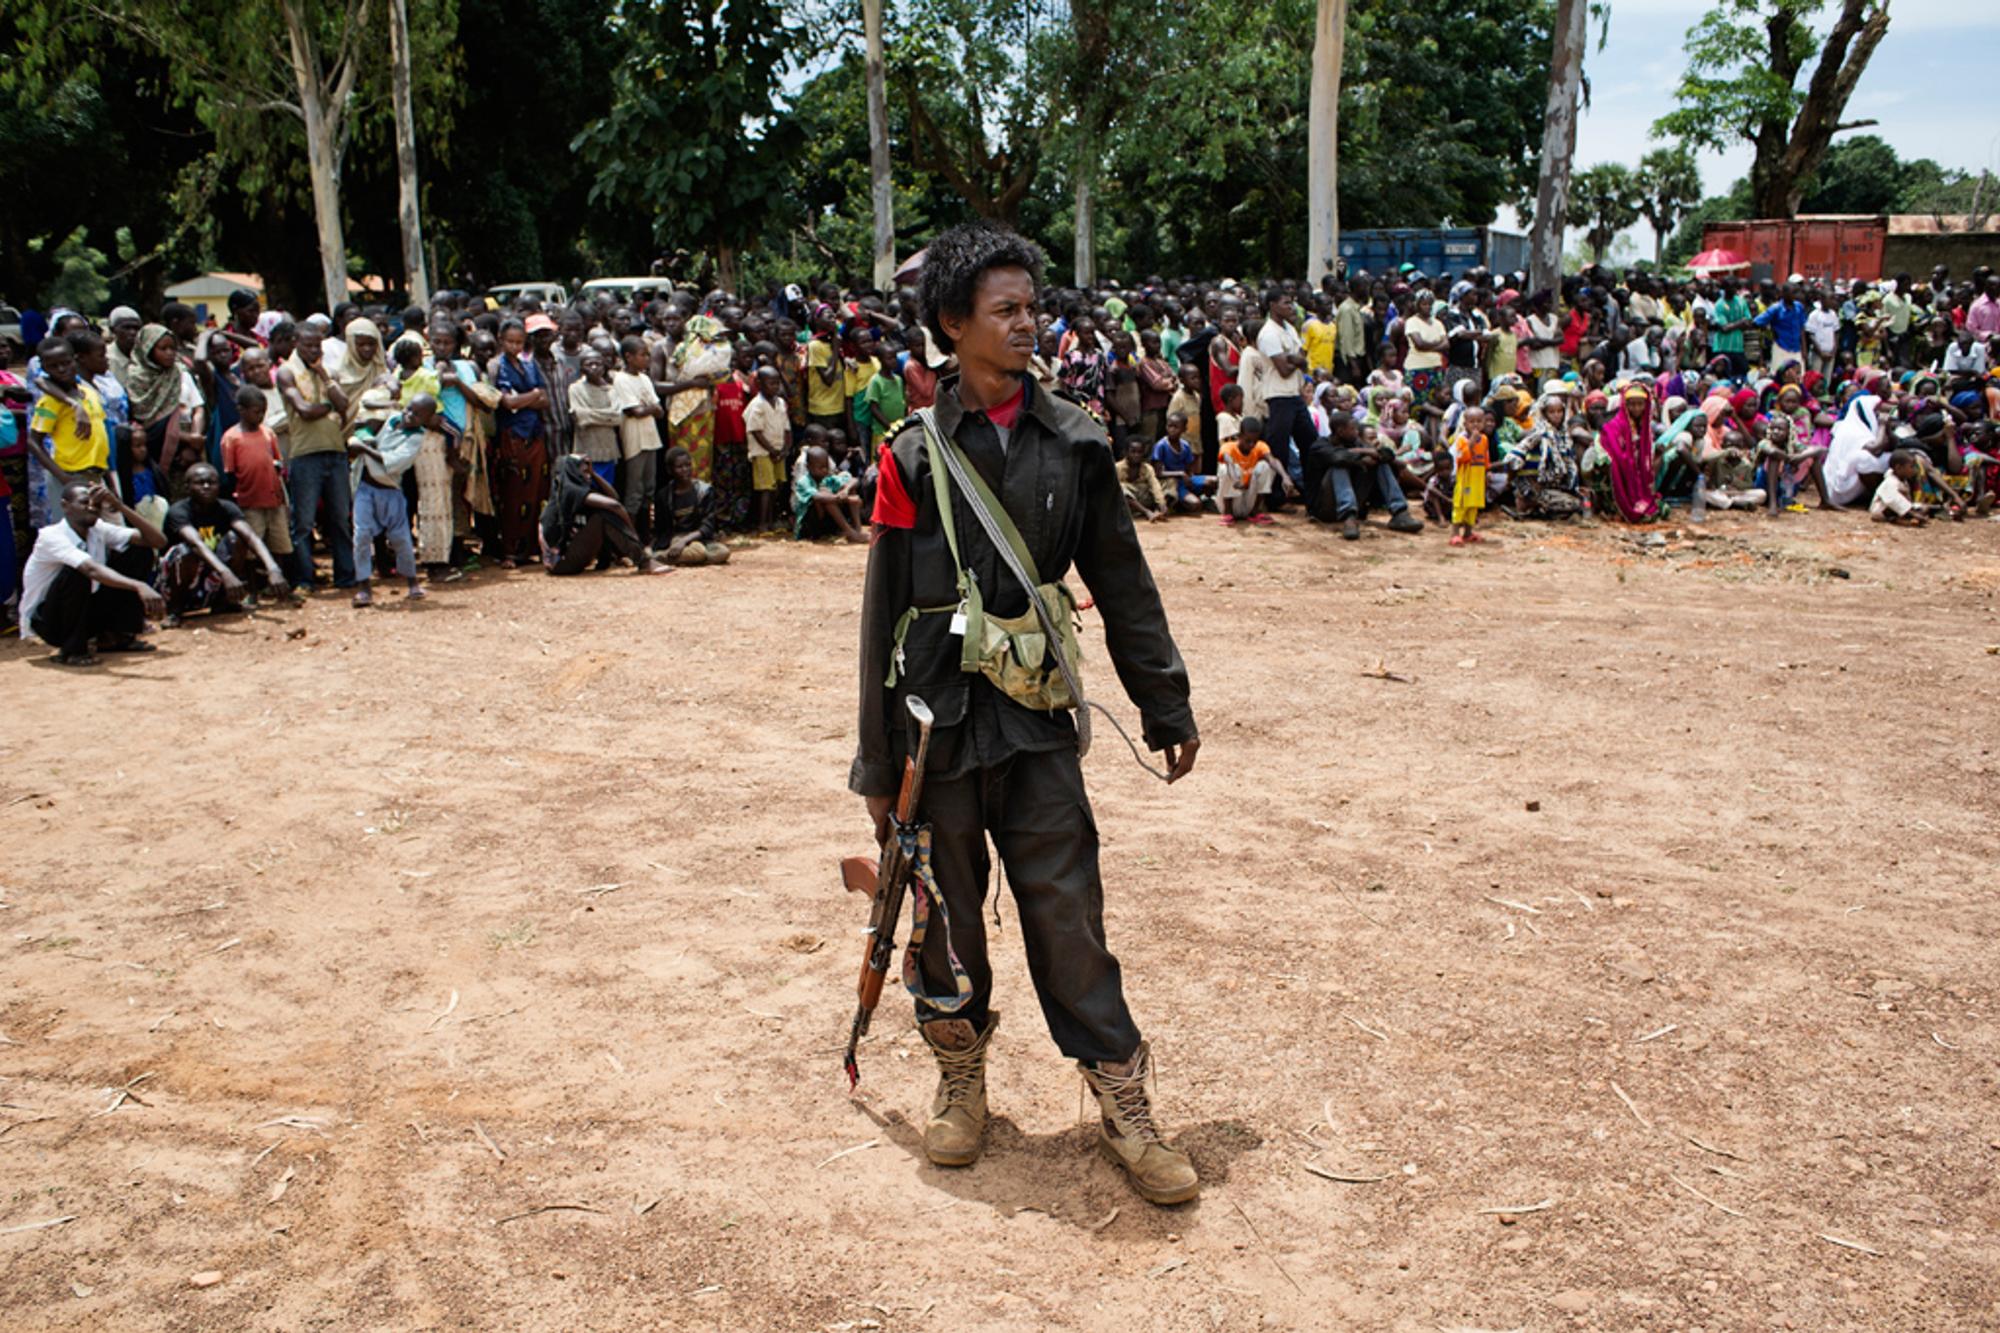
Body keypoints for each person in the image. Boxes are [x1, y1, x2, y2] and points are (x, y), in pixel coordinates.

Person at [854, 220, 1200, 1206]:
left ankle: (1122, 1100)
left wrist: (1164, 700)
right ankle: (959, 1078)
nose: (1025, 324)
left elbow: (1122, 582)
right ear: (952, 324)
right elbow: (880, 612)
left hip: (1038, 717)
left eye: (1031, 307)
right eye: (1003, 309)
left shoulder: (1077, 441)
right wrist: (876, 767)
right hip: (935, 724)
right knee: (943, 917)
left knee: (1067, 910)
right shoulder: (910, 454)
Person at [20, 481, 167, 664]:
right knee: (78, 571)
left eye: (96, 504)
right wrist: (139, 585)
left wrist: (119, 506)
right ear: (65, 506)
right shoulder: (51, 536)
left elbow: (158, 541)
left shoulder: (98, 529)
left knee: (139, 551)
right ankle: (73, 650)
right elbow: (90, 569)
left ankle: (115, 636)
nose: (92, 507)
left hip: (86, 612)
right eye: (84, 502)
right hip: (51, 621)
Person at [159, 461, 290, 623]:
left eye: (211, 482)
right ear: (187, 487)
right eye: (200, 483)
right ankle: (174, 610)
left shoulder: (227, 507)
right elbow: (196, 544)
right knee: (185, 552)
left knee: (237, 539)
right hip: (177, 578)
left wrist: (273, 569)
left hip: (211, 573)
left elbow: (250, 536)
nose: (206, 487)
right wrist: (226, 573)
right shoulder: (178, 511)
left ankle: (224, 602)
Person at [277, 324, 356, 589]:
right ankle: (304, 578)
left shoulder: (327, 372)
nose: (313, 351)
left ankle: (346, 576)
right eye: (307, 345)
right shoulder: (287, 372)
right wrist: (329, 406)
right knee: (303, 522)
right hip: (305, 454)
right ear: (295, 343)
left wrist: (323, 374)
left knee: (341, 519)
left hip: (335, 451)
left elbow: (344, 404)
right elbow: (304, 410)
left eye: (317, 346)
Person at [348, 394, 434, 607]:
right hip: (365, 487)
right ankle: (364, 587)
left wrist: (364, 448)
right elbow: (364, 418)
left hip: (390, 490)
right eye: (409, 409)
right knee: (361, 535)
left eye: (417, 414)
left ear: (427, 419)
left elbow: (393, 463)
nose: (410, 415)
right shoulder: (392, 418)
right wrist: (363, 435)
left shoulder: (415, 439)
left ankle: (412, 582)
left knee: (401, 538)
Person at [218, 384, 297, 587]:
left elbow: (277, 464)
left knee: (280, 544)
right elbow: (230, 473)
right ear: (241, 410)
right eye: (256, 412)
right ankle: (253, 589)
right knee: (252, 548)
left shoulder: (268, 433)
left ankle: (279, 586)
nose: (260, 416)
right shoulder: (231, 438)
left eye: (263, 411)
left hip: (274, 500)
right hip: (249, 501)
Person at [1304, 408, 1424, 540]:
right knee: (1339, 466)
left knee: (1379, 463)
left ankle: (1400, 512)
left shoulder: (1354, 442)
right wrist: (1365, 452)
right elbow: (1339, 457)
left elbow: (1386, 456)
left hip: (1355, 502)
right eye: (1353, 429)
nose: (1357, 432)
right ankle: (1349, 518)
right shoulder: (1320, 446)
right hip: (1322, 508)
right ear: (1340, 431)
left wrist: (1375, 454)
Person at [539, 452, 668, 575]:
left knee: (601, 512)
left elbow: (614, 497)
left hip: (566, 558)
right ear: (573, 472)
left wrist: (593, 474)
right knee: (604, 516)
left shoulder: (571, 489)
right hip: (560, 563)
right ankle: (643, 561)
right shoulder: (570, 491)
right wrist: (633, 535)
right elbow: (615, 505)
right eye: (584, 472)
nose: (588, 476)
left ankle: (608, 559)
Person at [490, 318, 551, 568]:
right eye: (510, 342)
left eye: (519, 342)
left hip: (534, 433)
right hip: (513, 436)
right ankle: (510, 550)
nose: (515, 347)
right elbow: (507, 403)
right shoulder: (498, 366)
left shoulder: (529, 364)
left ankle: (529, 547)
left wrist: (526, 399)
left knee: (535, 492)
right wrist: (532, 396)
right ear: (501, 341)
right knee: (513, 493)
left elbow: (545, 399)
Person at [25, 335, 110, 499]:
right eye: (53, 366)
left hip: (97, 474)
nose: (61, 369)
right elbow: (33, 441)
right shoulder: (50, 402)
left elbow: (100, 437)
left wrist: (110, 483)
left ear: (75, 360)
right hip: (71, 475)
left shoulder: (88, 393)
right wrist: (63, 477)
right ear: (44, 368)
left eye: (66, 363)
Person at [612, 334, 666, 547]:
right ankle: (629, 539)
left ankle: (645, 536)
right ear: (629, 356)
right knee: (634, 492)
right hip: (634, 440)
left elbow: (658, 410)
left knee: (648, 489)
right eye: (642, 355)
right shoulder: (621, 379)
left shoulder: (644, 379)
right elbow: (635, 411)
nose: (647, 359)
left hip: (651, 438)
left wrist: (647, 409)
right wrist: (648, 408)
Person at [656, 445, 731, 566]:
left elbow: (707, 526)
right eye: (679, 467)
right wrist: (678, 542)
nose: (685, 469)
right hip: (676, 538)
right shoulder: (664, 495)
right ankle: (689, 557)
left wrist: (685, 541)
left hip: (698, 538)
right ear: (670, 470)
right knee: (699, 552)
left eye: (688, 465)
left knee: (723, 552)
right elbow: (662, 530)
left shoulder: (704, 491)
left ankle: (664, 558)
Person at [744, 364, 791, 533]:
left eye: (777, 383)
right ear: (760, 384)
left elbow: (787, 428)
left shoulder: (781, 403)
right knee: (766, 488)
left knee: (777, 485)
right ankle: (762, 523)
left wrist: (785, 449)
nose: (775, 386)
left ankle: (772, 520)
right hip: (762, 452)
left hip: (778, 451)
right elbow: (755, 431)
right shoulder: (757, 405)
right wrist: (771, 450)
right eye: (771, 383)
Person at [793, 443, 865, 541]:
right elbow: (818, 497)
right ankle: (849, 532)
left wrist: (846, 490)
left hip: (826, 522)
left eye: (826, 466)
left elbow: (854, 480)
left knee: (849, 488)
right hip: (809, 527)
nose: (825, 470)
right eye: (820, 467)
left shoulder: (827, 478)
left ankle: (857, 530)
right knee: (825, 494)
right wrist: (848, 499)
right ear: (808, 467)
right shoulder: (804, 482)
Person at [1215, 415, 1279, 526]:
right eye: (1248, 441)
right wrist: (1236, 480)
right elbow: (1228, 462)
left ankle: (1255, 511)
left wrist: (1286, 477)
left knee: (1265, 466)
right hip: (1230, 501)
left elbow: (1272, 460)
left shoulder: (1260, 446)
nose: (1251, 445)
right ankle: (1227, 513)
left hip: (1247, 501)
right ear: (1239, 436)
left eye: (1255, 441)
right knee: (1226, 468)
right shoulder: (1228, 447)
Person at [1149, 411, 1211, 513]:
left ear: (1184, 429)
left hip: (1184, 480)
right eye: (1170, 426)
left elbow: (1189, 468)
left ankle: (1204, 499)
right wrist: (1180, 474)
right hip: (1171, 483)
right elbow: (1158, 473)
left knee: (1213, 481)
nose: (1172, 430)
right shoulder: (1161, 446)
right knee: (1195, 504)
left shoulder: (1185, 445)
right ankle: (1179, 504)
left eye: (1176, 427)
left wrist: (1190, 479)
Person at [1448, 405, 1491, 546]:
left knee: (1473, 506)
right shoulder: (1462, 440)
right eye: (1472, 422)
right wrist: (1471, 443)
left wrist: (1487, 471)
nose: (1475, 425)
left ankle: (1468, 532)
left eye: (1479, 421)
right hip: (1466, 478)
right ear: (1465, 424)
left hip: (1478, 477)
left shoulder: (1484, 439)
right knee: (1461, 506)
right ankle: (1455, 533)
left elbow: (1485, 457)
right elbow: (1461, 457)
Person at [1116, 435, 1168, 521]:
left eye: (1139, 452)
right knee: (1120, 487)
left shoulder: (1148, 468)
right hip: (1127, 502)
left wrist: (1162, 503)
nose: (1136, 455)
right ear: (1126, 452)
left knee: (1168, 483)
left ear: (1144, 453)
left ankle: (1159, 511)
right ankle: (1146, 512)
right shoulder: (1117, 467)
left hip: (1143, 499)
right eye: (1133, 452)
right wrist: (1146, 511)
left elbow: (1155, 486)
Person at [1869, 449, 1928, 524]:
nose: (1914, 470)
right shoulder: (1890, 482)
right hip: (1882, 510)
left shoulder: (1903, 480)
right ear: (1898, 467)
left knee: (1924, 507)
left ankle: (1904, 518)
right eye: (1911, 467)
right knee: (1895, 510)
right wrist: (1914, 514)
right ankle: (1899, 519)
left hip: (1901, 508)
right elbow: (1894, 501)